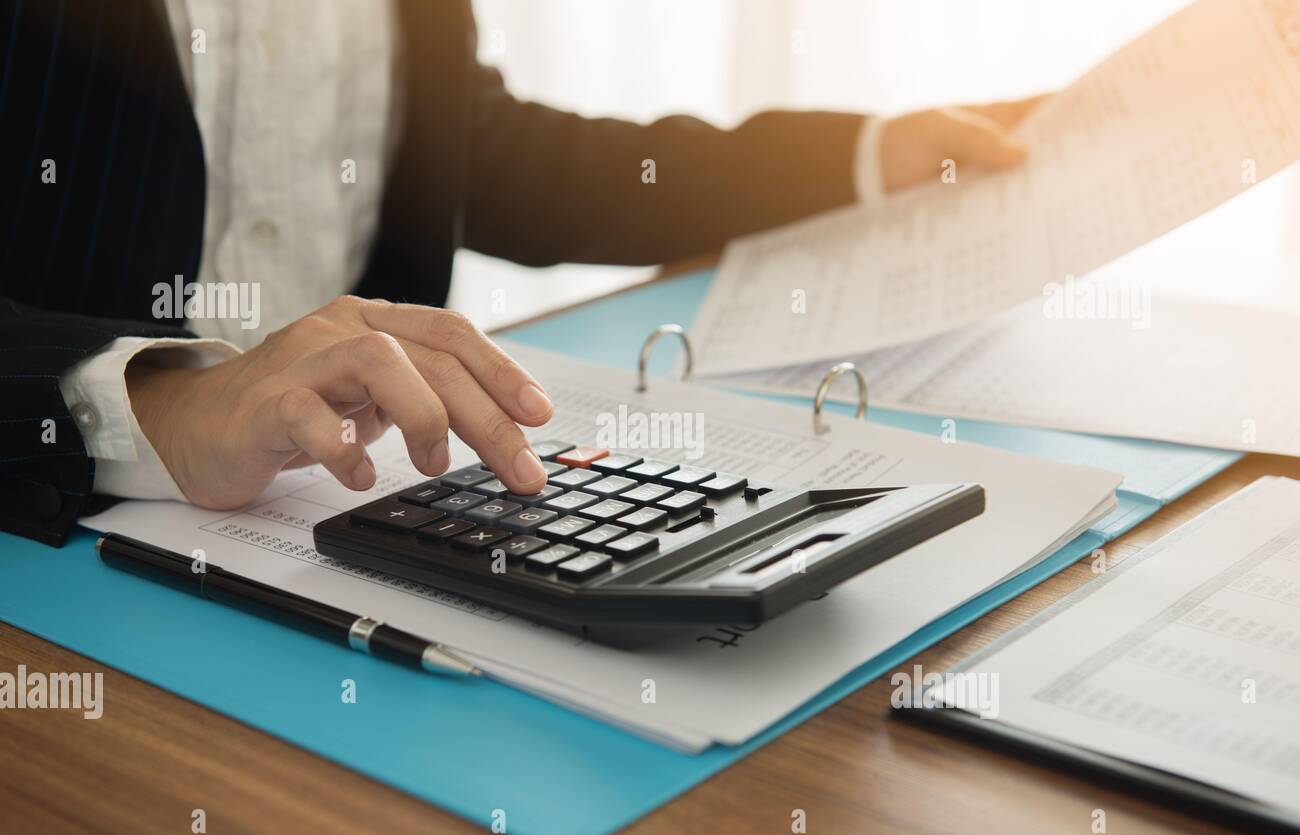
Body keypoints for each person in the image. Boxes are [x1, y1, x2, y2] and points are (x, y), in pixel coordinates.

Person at [0, 0, 1039, 546]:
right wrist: (163, 401)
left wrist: (846, 160)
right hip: (56, 524)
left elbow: (474, 150)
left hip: (351, 513)